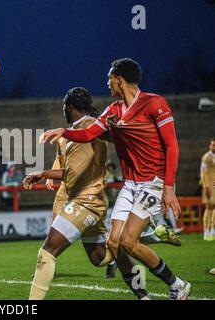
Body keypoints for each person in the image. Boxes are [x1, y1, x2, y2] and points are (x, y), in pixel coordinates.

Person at [40, 58, 191, 300]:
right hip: (130, 185)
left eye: (109, 78)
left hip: (152, 182)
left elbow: (171, 146)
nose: (107, 82)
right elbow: (89, 133)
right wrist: (63, 131)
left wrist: (169, 187)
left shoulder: (155, 103)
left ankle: (176, 284)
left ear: (119, 79)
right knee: (114, 244)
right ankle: (144, 293)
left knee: (128, 242)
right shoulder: (114, 110)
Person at [26, 87, 134, 299]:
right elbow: (72, 171)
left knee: (47, 252)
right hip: (85, 200)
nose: (63, 111)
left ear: (69, 107)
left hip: (86, 201)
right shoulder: (76, 131)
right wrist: (44, 173)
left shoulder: (91, 126)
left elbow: (115, 137)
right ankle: (135, 245)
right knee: (99, 257)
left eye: (64, 107)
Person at [201, 138, 215, 241]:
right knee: (208, 208)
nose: (214, 147)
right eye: (213, 145)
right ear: (209, 146)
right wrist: (205, 186)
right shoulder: (206, 157)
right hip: (209, 186)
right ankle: (206, 232)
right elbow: (202, 173)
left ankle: (212, 230)